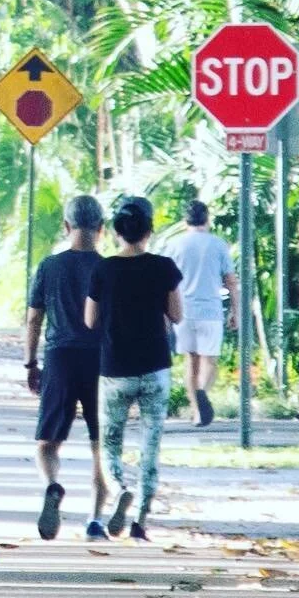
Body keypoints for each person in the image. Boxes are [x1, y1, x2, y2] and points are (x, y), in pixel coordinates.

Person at [85, 196, 183, 541]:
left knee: (110, 442)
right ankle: (140, 521)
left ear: (115, 232)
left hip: (114, 368)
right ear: (149, 230)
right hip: (155, 366)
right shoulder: (164, 267)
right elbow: (176, 315)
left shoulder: (103, 269)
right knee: (151, 444)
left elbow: (90, 319)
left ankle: (117, 488)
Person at [25, 195, 110, 541]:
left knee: (47, 444)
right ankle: (94, 521)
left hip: (59, 357)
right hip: (100, 361)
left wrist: (31, 362)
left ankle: (53, 485)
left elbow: (33, 318)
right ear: (101, 230)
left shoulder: (49, 266)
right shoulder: (109, 268)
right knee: (100, 445)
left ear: (66, 226)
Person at [166, 200, 240, 427]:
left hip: (183, 310)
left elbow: (165, 282)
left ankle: (198, 412)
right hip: (211, 310)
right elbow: (230, 281)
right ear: (207, 219)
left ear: (185, 220)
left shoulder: (174, 245)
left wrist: (165, 313)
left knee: (192, 361)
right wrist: (236, 310)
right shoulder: (218, 245)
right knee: (211, 361)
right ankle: (202, 392)